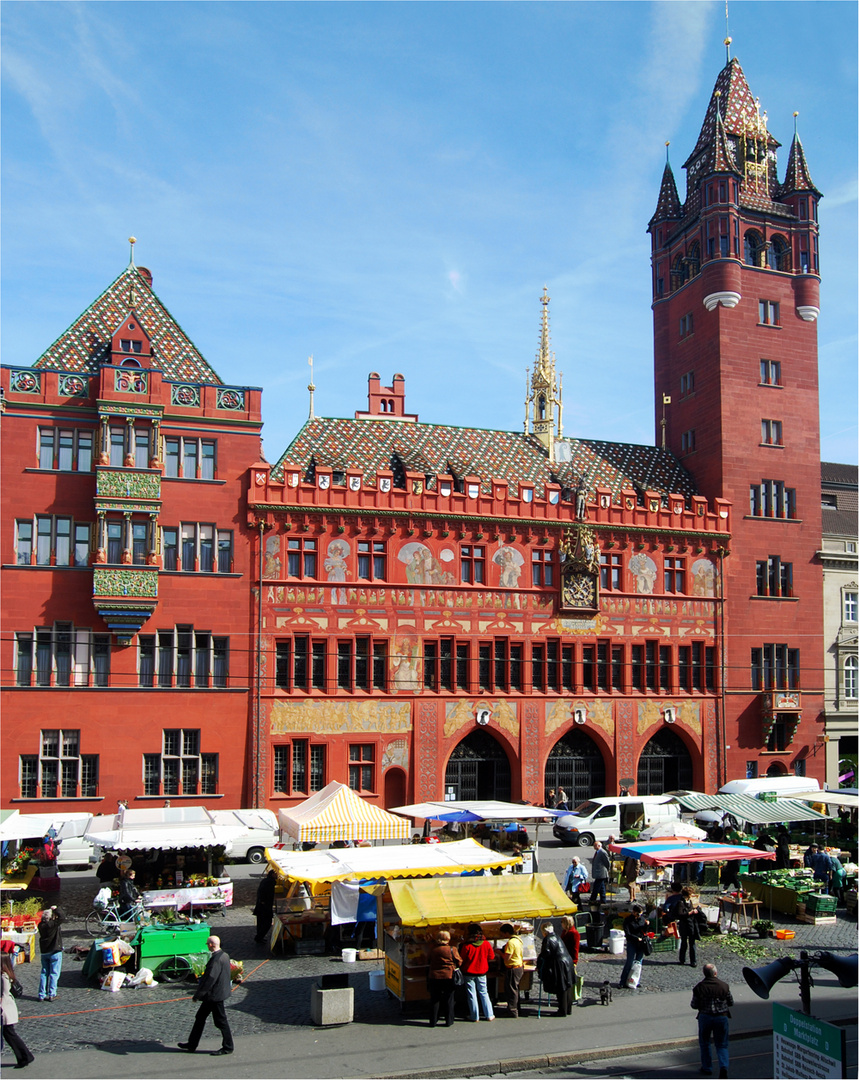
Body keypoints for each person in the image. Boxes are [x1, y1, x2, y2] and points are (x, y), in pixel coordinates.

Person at [178, 935, 234, 1055]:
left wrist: (198, 995)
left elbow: (210, 979)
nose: (207, 946)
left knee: (220, 1021)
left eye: (207, 944)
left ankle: (228, 1047)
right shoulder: (224, 955)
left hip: (214, 996)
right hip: (217, 994)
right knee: (200, 1017)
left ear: (211, 945)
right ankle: (192, 1044)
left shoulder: (215, 960)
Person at [691, 962, 733, 1079]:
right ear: (715, 973)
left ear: (704, 973)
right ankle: (723, 1067)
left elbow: (694, 1005)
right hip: (721, 1017)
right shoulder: (724, 986)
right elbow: (730, 1002)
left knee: (705, 1043)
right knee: (722, 1045)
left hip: (705, 1017)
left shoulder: (699, 987)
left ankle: (707, 1067)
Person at [1, 954, 34, 1069]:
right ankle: (24, 1057)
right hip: (8, 1007)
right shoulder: (8, 973)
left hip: (4, 1009)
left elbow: (3, 993)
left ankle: (25, 1056)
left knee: (10, 1035)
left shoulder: (2, 976)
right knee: (10, 1035)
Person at [459, 923, 495, 1022]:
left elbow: (462, 959)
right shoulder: (486, 944)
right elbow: (491, 956)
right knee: (484, 992)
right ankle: (489, 1014)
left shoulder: (466, 946)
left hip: (468, 972)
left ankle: (474, 1016)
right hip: (482, 972)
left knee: (472, 994)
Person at [536, 924, 574, 1016]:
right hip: (567, 961)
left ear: (544, 932)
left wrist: (539, 961)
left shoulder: (548, 939)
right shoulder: (556, 936)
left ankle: (562, 1010)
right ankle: (568, 1009)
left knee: (561, 987)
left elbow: (546, 953)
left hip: (560, 963)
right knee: (567, 986)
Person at [427, 930, 461, 1027]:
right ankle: (449, 1020)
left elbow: (428, 960)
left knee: (434, 999)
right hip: (448, 976)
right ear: (448, 938)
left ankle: (433, 1021)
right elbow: (459, 961)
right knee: (449, 998)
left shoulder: (433, 949)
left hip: (434, 976)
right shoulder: (452, 949)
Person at [37, 905, 65, 1002]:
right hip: (54, 951)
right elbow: (62, 917)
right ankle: (52, 994)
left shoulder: (40, 925)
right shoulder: (52, 925)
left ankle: (41, 994)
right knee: (54, 973)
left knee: (44, 973)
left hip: (44, 952)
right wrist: (56, 909)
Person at [619, 904, 648, 990]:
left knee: (638, 963)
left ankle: (635, 980)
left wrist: (646, 925)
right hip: (632, 942)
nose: (639, 916)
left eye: (641, 914)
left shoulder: (642, 919)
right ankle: (623, 981)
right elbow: (628, 934)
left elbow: (644, 931)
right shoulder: (628, 920)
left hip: (641, 943)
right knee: (629, 962)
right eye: (638, 914)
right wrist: (636, 938)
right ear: (634, 912)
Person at [498, 923, 525, 1018]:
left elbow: (507, 957)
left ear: (506, 933)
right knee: (515, 988)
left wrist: (499, 952)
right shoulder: (518, 940)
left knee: (511, 990)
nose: (501, 935)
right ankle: (517, 1008)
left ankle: (512, 1010)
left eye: (502, 933)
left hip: (513, 968)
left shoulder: (510, 943)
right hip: (519, 966)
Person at [677, 886, 701, 967]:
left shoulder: (689, 901)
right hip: (684, 925)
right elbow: (680, 914)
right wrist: (690, 913)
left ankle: (693, 961)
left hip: (690, 924)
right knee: (684, 943)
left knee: (692, 943)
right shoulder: (680, 902)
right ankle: (682, 959)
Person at [560, 915, 581, 1006]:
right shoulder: (565, 931)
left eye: (562, 922)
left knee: (572, 979)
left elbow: (575, 949)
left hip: (570, 960)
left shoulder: (574, 933)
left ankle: (574, 997)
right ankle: (568, 997)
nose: (561, 924)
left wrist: (574, 961)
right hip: (565, 958)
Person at [252, 869, 277, 943]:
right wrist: (263, 901)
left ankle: (259, 937)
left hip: (262, 905)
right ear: (272, 874)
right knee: (267, 923)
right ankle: (259, 937)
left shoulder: (266, 881)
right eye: (275, 874)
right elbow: (262, 892)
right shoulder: (269, 882)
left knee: (261, 923)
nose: (277, 875)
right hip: (264, 906)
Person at [590, 841, 611, 905]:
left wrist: (608, 869)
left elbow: (607, 862)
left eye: (595, 845)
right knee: (601, 887)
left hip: (601, 873)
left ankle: (592, 899)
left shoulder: (603, 852)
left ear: (599, 846)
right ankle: (603, 899)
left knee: (596, 886)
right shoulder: (597, 852)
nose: (594, 847)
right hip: (598, 873)